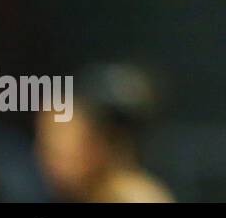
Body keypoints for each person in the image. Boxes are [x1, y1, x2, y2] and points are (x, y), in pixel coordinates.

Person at [34, 63, 173, 203]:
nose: (49, 163)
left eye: (61, 152)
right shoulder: (68, 197)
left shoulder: (135, 197)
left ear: (99, 144)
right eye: (46, 147)